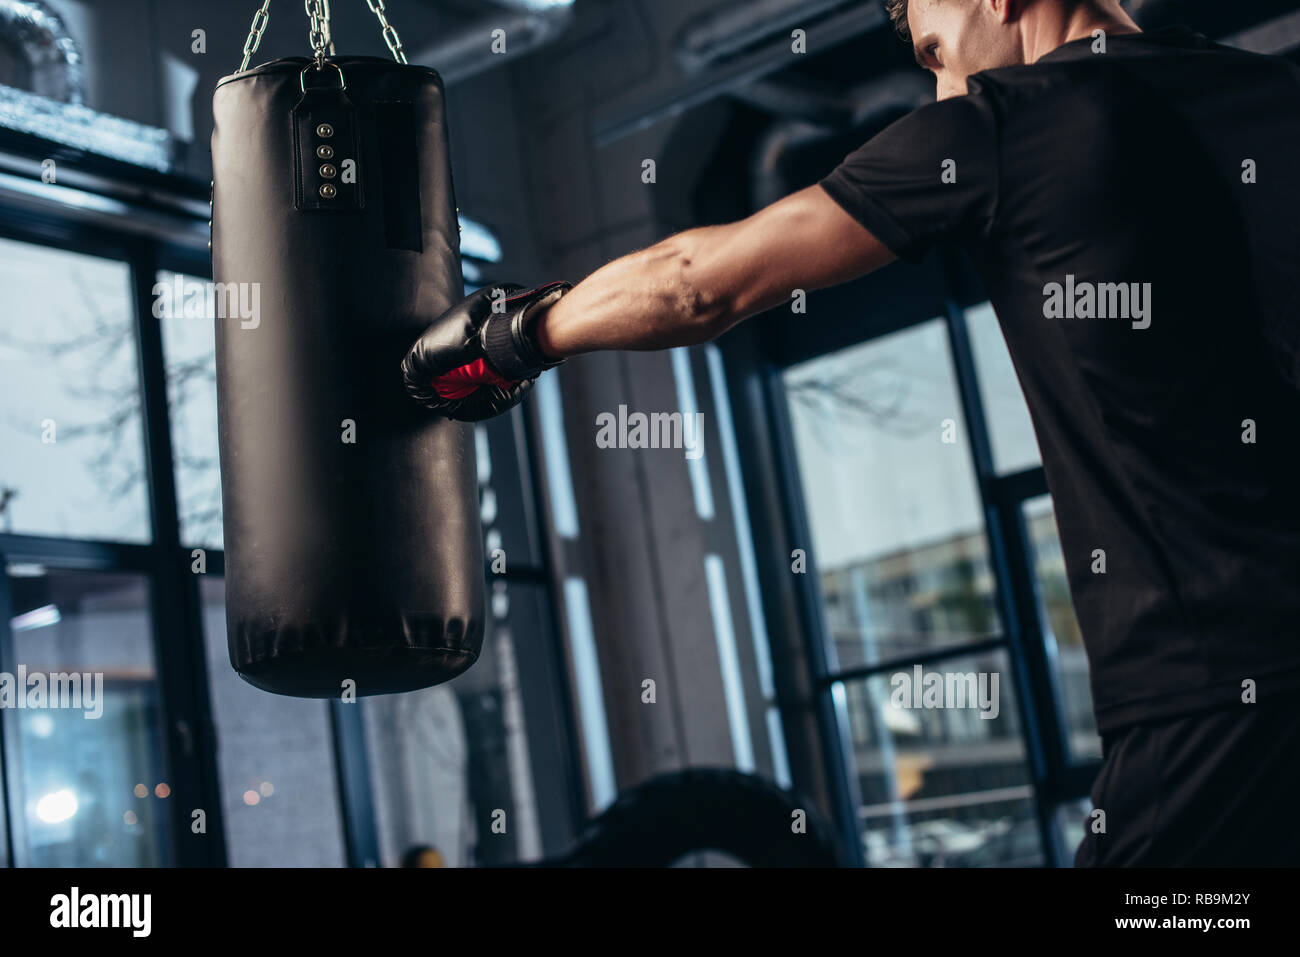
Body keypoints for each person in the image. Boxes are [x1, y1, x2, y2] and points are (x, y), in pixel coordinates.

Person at [402, 0, 1300, 867]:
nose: (944, 96)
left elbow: (695, 283)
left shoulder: (1006, 121)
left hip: (1212, 700)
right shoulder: (1268, 94)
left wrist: (514, 336)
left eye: (938, 55)